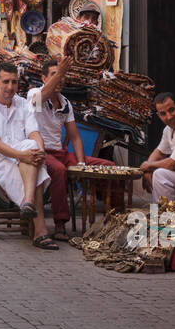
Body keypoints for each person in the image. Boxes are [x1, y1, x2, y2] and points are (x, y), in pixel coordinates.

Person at [27, 56, 114, 241]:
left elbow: (74, 137)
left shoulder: (65, 102)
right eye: (53, 75)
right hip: (42, 152)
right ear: (43, 78)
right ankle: (60, 225)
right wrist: (62, 71)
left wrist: (82, 163)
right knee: (58, 170)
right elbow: (44, 94)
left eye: (61, 76)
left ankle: (115, 219)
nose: (60, 79)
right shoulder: (34, 93)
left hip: (61, 153)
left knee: (108, 166)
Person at [0, 62, 57, 250]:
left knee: (32, 147)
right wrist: (22, 156)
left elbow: (34, 132)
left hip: (22, 154)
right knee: (29, 168)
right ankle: (39, 230)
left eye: (14, 82)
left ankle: (28, 203)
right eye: (6, 82)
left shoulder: (23, 104)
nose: (10, 87)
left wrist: (40, 151)